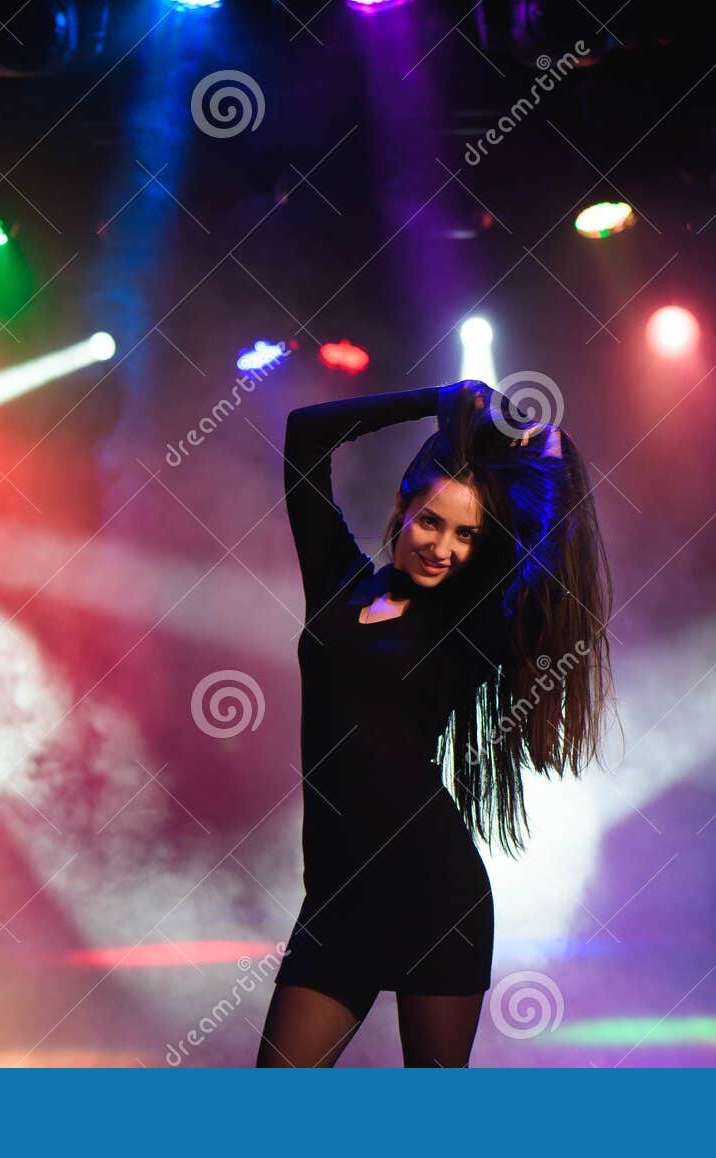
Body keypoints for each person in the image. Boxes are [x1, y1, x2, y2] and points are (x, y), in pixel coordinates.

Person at [255, 378, 614, 1067]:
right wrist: (433, 401)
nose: (441, 547)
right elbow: (305, 434)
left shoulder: (472, 623)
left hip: (434, 898)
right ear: (402, 505)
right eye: (430, 522)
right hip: (335, 901)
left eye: (465, 535)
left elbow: (555, 561)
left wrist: (554, 460)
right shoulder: (338, 580)